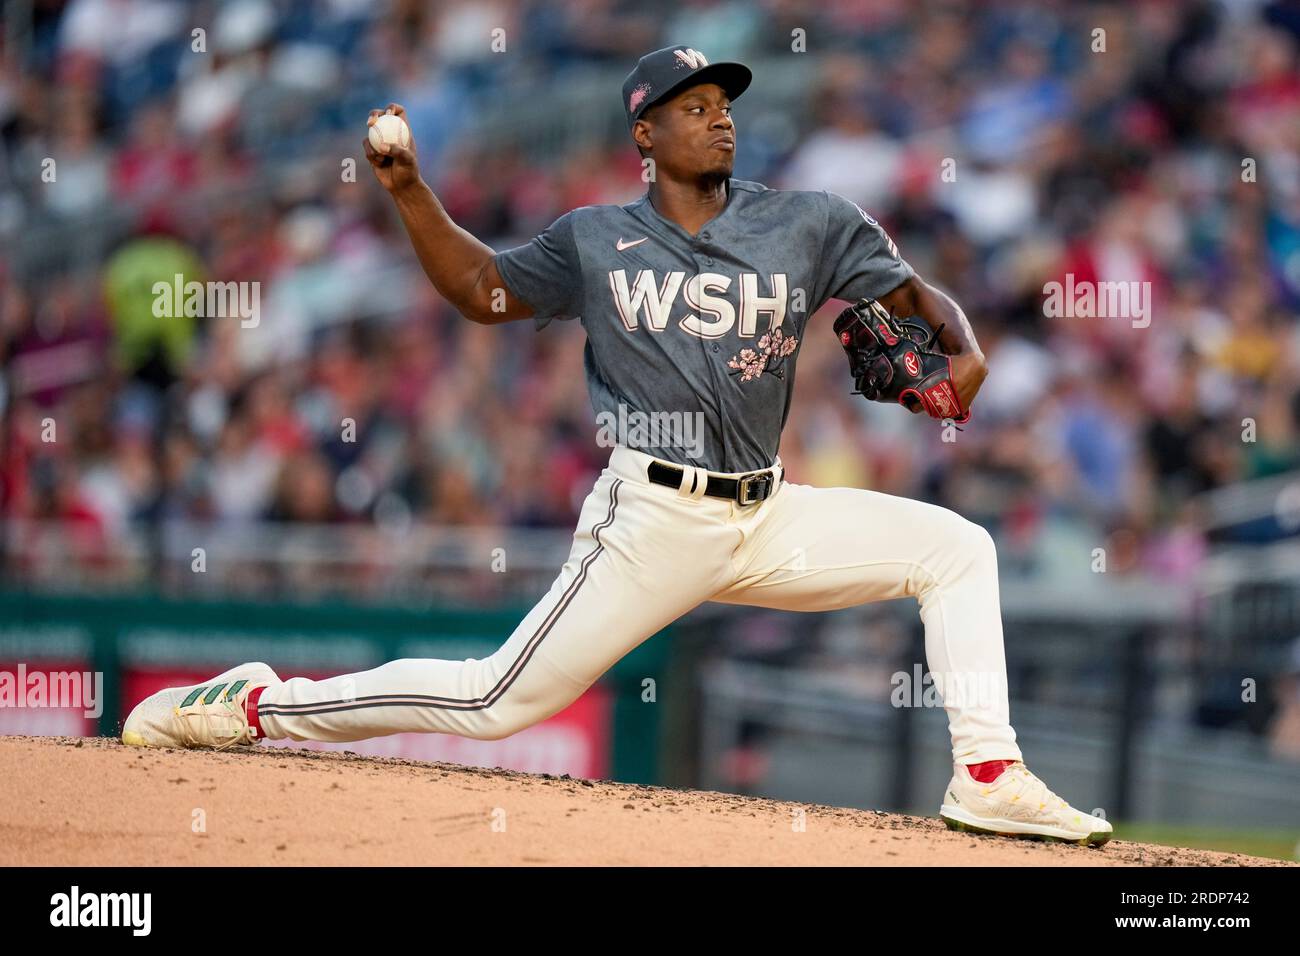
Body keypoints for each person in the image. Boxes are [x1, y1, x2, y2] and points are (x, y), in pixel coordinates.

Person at [122, 46, 1112, 846]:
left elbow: (911, 301)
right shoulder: (595, 239)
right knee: (495, 699)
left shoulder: (806, 221)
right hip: (654, 517)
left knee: (956, 548)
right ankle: (257, 704)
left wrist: (965, 353)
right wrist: (412, 192)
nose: (719, 112)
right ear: (644, 132)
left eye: (723, 99)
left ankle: (989, 772)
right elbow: (484, 291)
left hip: (769, 511)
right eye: (691, 103)